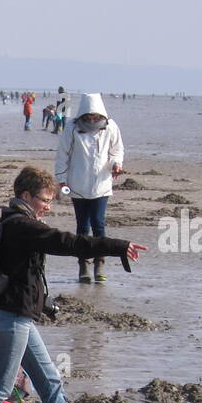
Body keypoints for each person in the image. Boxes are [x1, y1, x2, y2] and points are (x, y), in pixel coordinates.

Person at [0, 166, 146, 403]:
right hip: (10, 316)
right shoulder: (21, 226)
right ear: (26, 195)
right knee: (0, 384)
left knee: (48, 378)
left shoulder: (16, 223)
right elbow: (69, 243)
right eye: (45, 199)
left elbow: (26, 273)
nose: (49, 206)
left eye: (51, 200)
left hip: (18, 315)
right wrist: (118, 246)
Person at [56, 91, 126, 284]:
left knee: (98, 223)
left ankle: (100, 262)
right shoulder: (72, 128)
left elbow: (117, 150)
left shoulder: (110, 127)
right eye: (90, 116)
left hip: (102, 184)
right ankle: (83, 264)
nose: (93, 119)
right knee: (82, 226)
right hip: (77, 184)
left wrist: (116, 164)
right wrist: (61, 180)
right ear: (83, 114)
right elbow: (63, 155)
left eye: (96, 116)